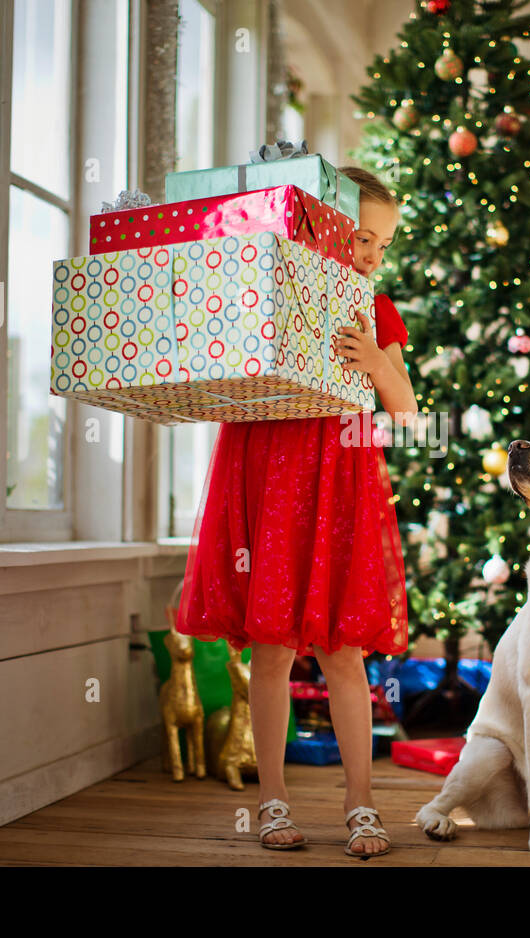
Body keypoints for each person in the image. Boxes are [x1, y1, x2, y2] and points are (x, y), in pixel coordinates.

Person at [172, 165, 417, 857]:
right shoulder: (265, 289)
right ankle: (272, 798)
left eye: (383, 244)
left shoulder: (376, 307)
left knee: (343, 649)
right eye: (362, 238)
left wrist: (374, 359)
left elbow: (406, 410)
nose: (372, 255)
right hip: (267, 478)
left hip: (338, 486)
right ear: (325, 225)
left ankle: (360, 801)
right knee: (272, 648)